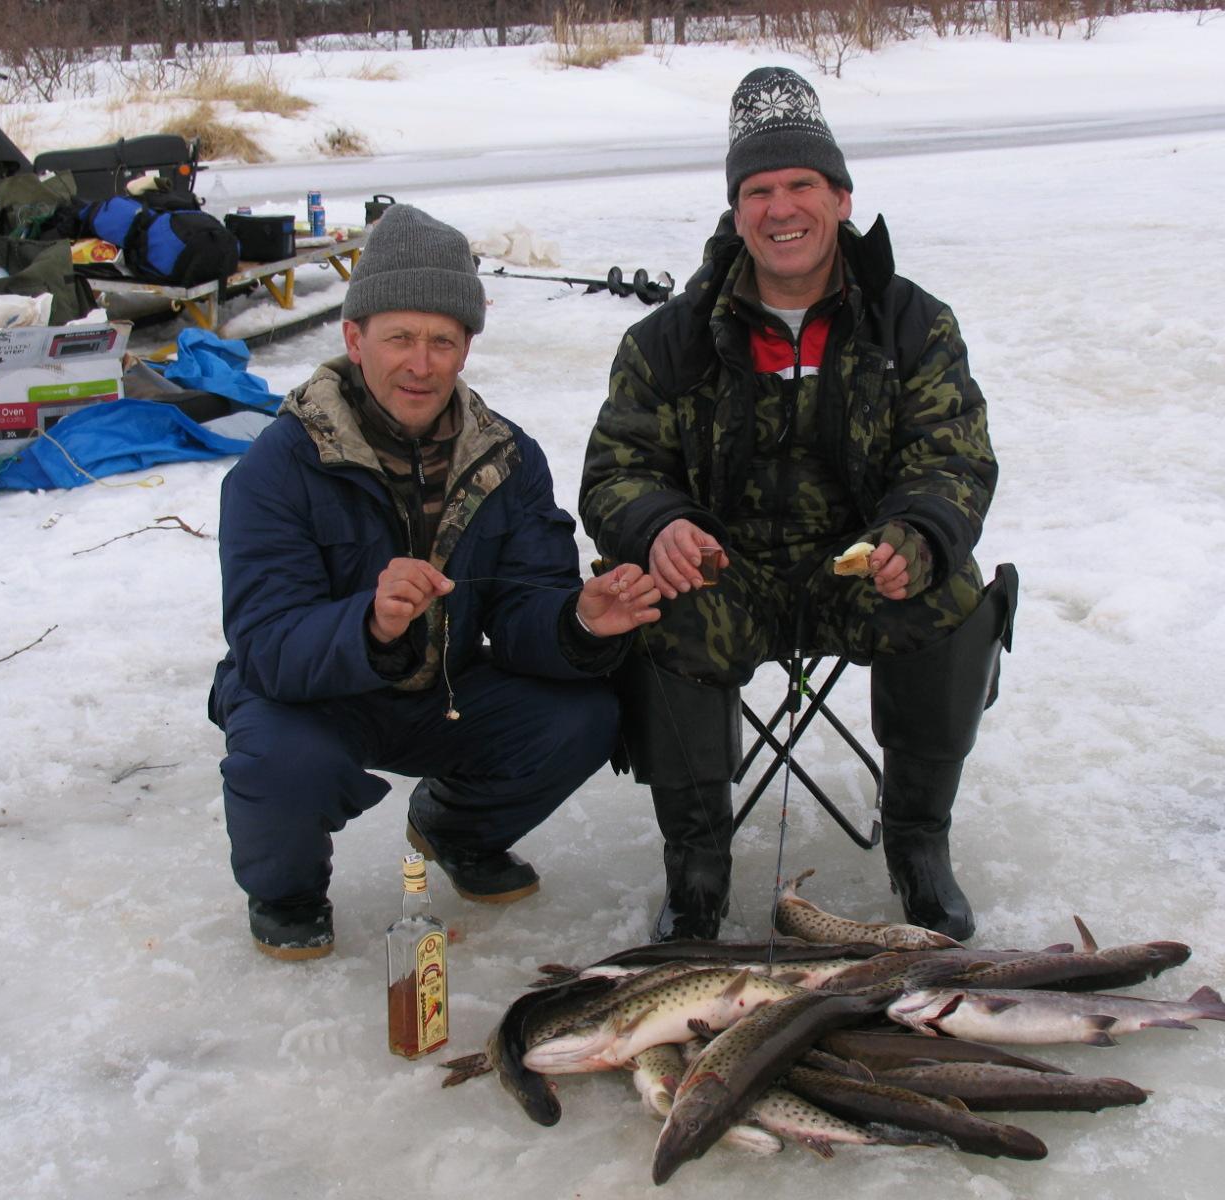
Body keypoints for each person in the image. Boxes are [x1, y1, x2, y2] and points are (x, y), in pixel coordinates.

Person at [580, 67, 1016, 944]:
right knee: (650, 598)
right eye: (759, 191)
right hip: (723, 577)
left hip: (861, 573)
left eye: (801, 186)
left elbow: (953, 456)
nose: (782, 209)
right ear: (737, 213)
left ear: (842, 199)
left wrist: (915, 536)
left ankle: (919, 841)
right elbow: (615, 467)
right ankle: (695, 866)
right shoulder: (667, 337)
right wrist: (659, 525)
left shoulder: (912, 323)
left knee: (957, 592)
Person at [211, 204, 660, 960]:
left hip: (444, 693)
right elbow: (264, 646)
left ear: (466, 347)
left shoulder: (507, 456)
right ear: (354, 340)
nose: (420, 363)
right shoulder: (275, 469)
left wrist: (577, 620)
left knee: (584, 713)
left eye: (441, 341)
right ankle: (285, 894)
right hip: (315, 696)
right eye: (399, 338)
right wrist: (369, 623)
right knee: (279, 759)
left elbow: (524, 608)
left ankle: (456, 827)